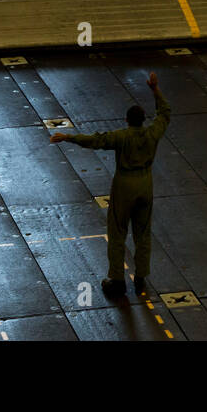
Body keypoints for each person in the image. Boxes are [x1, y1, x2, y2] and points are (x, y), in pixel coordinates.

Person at [50, 72, 171, 297]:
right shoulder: (153, 133)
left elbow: (96, 141)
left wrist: (68, 137)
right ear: (143, 120)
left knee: (117, 233)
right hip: (146, 183)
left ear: (127, 120)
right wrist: (155, 90)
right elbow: (165, 113)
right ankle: (141, 278)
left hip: (124, 185)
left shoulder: (121, 137)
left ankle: (117, 280)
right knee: (142, 233)